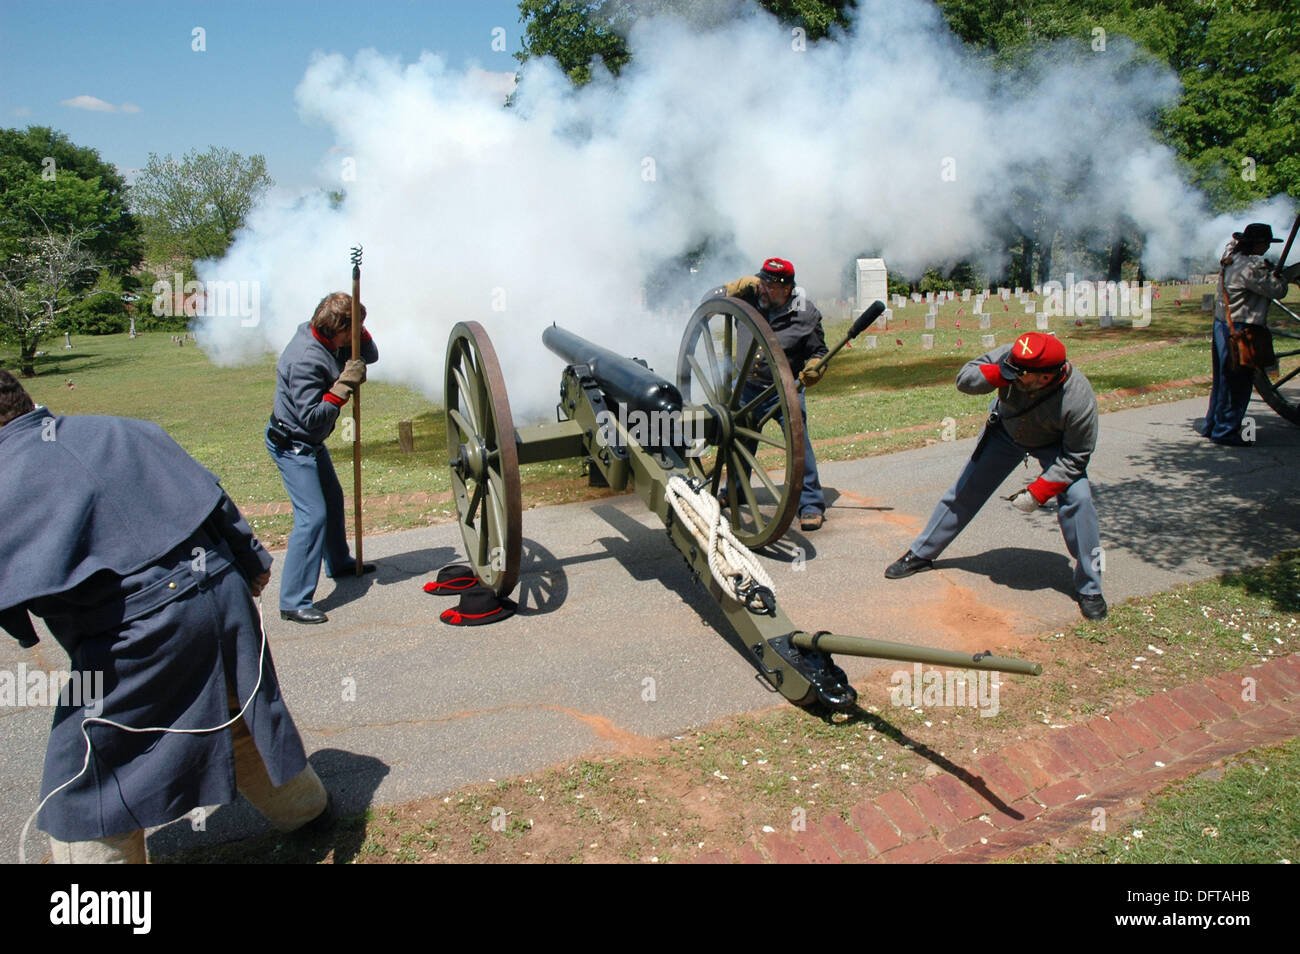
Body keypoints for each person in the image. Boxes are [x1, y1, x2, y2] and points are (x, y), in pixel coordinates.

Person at [0, 370, 329, 863]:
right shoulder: (120, 428)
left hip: (134, 629)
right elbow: (215, 501)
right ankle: (308, 812)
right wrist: (253, 563)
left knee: (87, 773)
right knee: (238, 712)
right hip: (223, 594)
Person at [883, 332, 1107, 620]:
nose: (1013, 375)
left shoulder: (1079, 398)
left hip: (1055, 446)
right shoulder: (1011, 357)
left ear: (1045, 378)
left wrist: (1038, 492)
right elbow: (965, 379)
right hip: (1006, 432)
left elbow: (1076, 457)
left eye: (1021, 374)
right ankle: (921, 554)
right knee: (964, 492)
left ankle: (1090, 587)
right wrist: (997, 372)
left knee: (1079, 501)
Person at [268, 292, 378, 624]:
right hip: (293, 443)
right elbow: (312, 417)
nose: (354, 338)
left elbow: (370, 356)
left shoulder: (329, 337)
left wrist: (360, 330)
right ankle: (292, 601)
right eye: (353, 330)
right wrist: (344, 385)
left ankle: (339, 563)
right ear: (336, 330)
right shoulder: (304, 358)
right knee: (312, 516)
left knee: (333, 499)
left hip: (311, 443)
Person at [704, 257, 829, 531]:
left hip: (782, 391)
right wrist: (731, 287)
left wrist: (814, 368)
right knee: (737, 441)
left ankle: (810, 504)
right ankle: (733, 492)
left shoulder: (805, 314)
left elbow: (818, 352)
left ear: (788, 289)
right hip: (745, 387)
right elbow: (707, 303)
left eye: (772, 286)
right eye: (762, 282)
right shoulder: (746, 297)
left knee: (799, 446)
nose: (764, 289)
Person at [1197, 222, 1299, 446]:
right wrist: (1278, 276)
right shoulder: (1252, 267)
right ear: (1259, 244)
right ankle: (1225, 432)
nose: (1266, 248)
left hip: (1223, 325)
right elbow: (1277, 290)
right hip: (1242, 329)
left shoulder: (1230, 257)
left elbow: (1230, 244)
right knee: (1238, 382)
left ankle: (1212, 425)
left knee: (1222, 380)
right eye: (1265, 243)